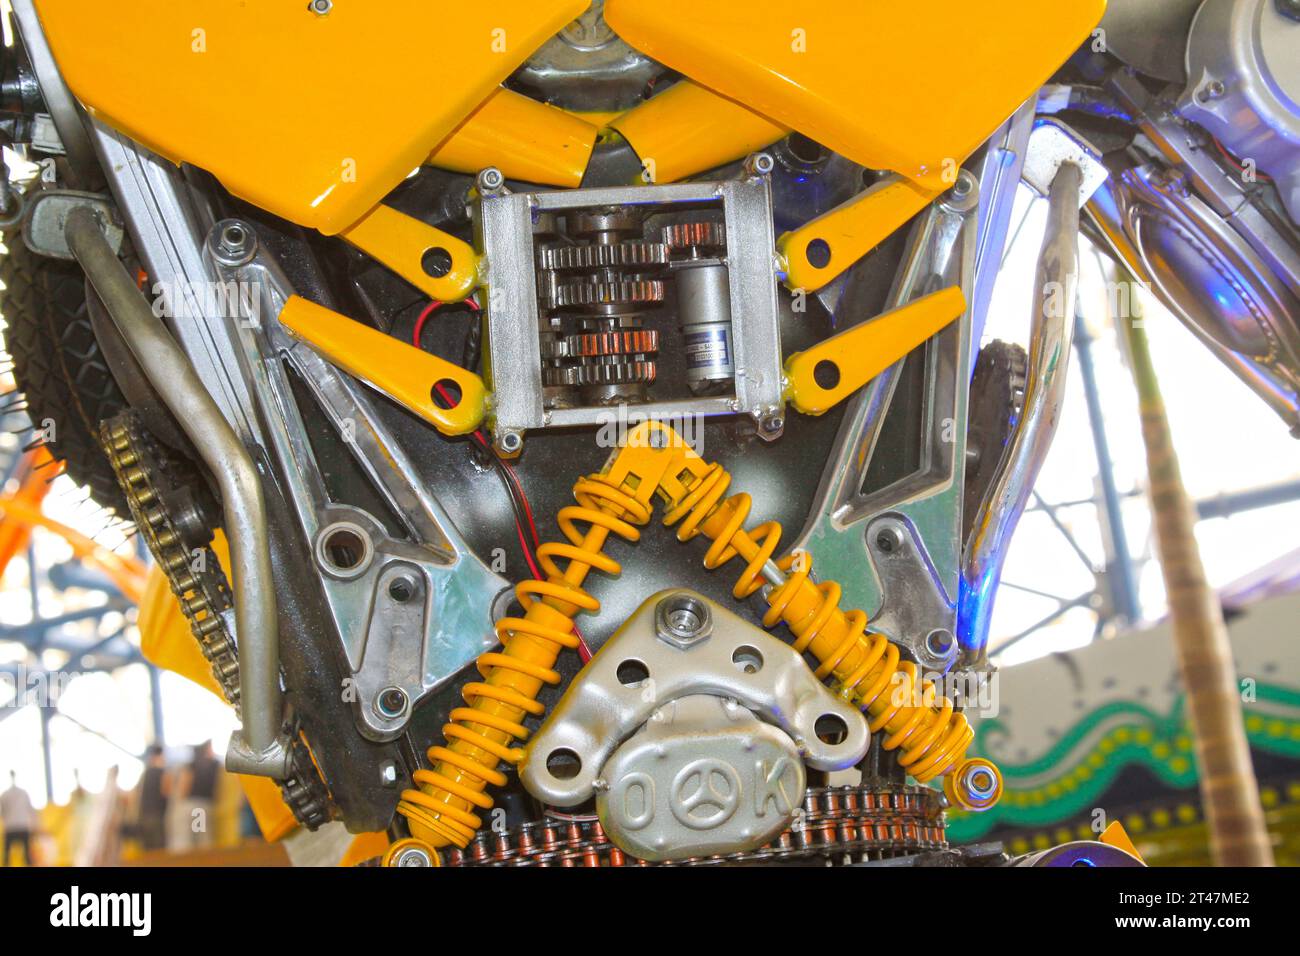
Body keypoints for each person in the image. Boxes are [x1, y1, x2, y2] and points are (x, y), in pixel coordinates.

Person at [170, 741, 219, 850]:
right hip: (202, 807)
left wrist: (178, 802)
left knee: (186, 840)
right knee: (202, 840)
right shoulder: (214, 765)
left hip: (192, 805)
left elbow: (184, 785)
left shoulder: (192, 765)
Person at [1, 771, 37, 866]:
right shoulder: (23, 793)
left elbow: (2, 813)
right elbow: (31, 811)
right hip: (21, 826)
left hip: (11, 827)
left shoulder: (5, 795)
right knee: (26, 857)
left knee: (8, 857)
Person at [137, 745, 169, 852]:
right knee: (159, 851)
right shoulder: (162, 772)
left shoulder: (144, 774)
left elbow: (137, 796)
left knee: (147, 851)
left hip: (144, 816)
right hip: (157, 817)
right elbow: (166, 791)